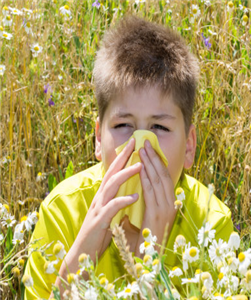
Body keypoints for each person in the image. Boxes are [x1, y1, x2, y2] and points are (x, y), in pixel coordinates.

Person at [24, 16, 233, 299]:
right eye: (124, 126)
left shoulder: (210, 221)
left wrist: (151, 263)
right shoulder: (62, 211)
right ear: (98, 139)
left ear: (188, 146)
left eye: (159, 127)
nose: (139, 145)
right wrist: (80, 261)